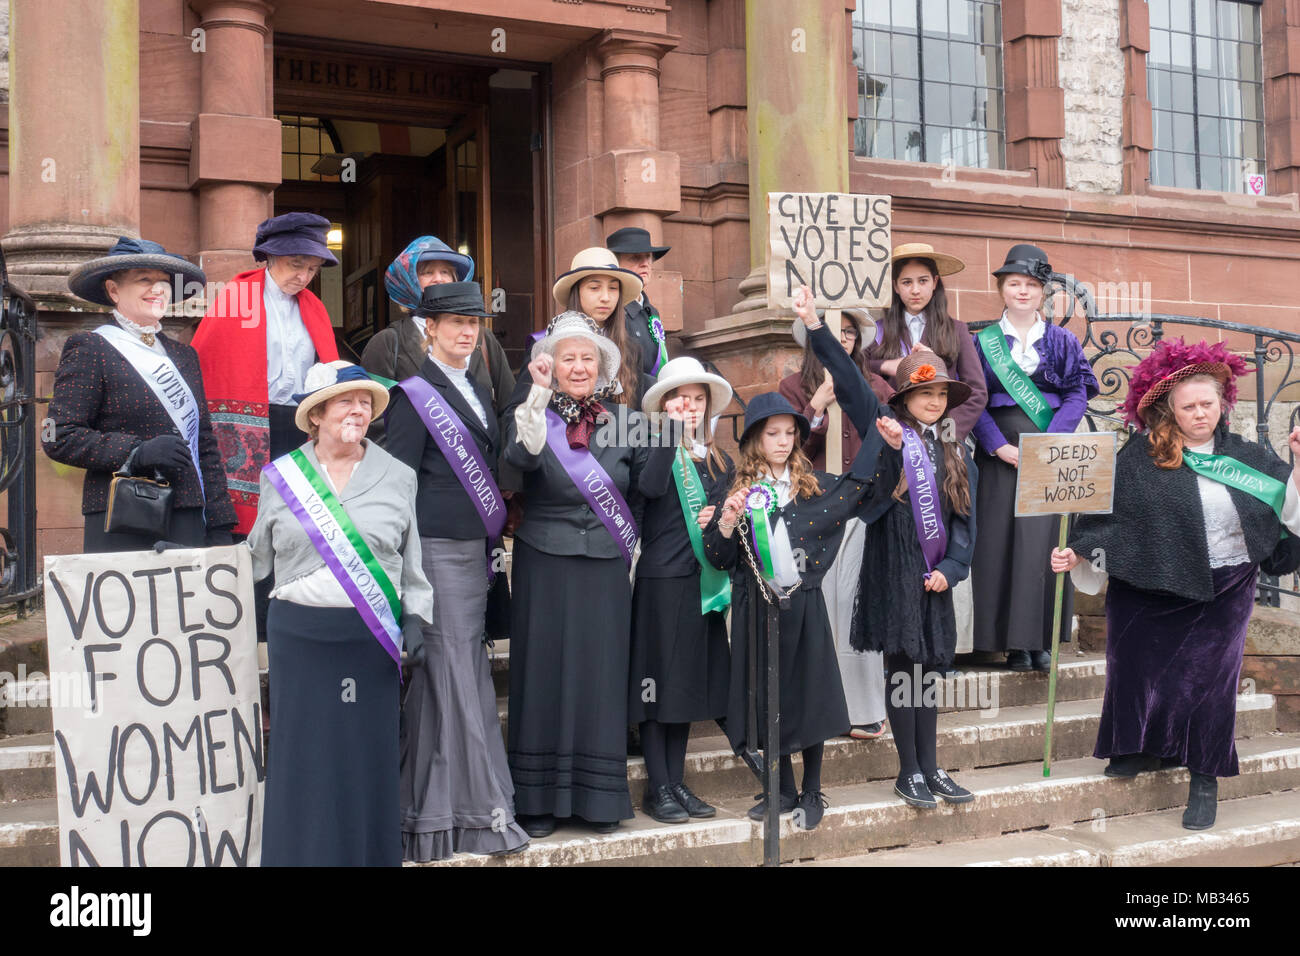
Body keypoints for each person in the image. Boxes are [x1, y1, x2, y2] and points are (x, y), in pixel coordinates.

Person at [1051, 339, 1300, 830]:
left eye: (1207, 403)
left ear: (1222, 404)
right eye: (1188, 407)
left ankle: (1204, 778)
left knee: (1209, 685)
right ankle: (1138, 746)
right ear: (1170, 411)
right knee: (1135, 668)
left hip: (1223, 586)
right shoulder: (1142, 456)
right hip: (1149, 585)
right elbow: (1109, 519)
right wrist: (1078, 550)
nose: (1199, 413)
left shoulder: (1247, 455)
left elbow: (1288, 509)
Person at [702, 287, 900, 830]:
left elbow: (869, 487)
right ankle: (780, 791)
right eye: (773, 434)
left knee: (809, 703)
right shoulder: (732, 488)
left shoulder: (817, 489)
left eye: (791, 433)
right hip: (754, 608)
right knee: (766, 703)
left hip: (804, 606)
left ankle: (813, 793)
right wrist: (724, 520)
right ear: (754, 440)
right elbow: (719, 558)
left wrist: (890, 445)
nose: (784, 442)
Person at [248, 361, 433, 866]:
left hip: (367, 641)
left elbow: (410, 560)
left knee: (364, 757)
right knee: (301, 756)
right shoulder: (280, 476)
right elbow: (254, 559)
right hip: (299, 637)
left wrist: (415, 618)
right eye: (345, 401)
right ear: (316, 415)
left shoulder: (398, 476)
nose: (358, 410)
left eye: (366, 402)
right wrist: (189, 564)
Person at [384, 281, 529, 859]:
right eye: (454, 322)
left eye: (474, 322)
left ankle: (457, 808)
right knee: (447, 676)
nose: (467, 331)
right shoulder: (412, 394)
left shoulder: (475, 386)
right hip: (435, 549)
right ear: (430, 329)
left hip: (475, 553)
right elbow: (395, 482)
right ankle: (453, 815)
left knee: (465, 670)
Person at [503, 312, 652, 837]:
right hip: (545, 559)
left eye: (588, 358)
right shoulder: (531, 411)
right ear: (551, 365)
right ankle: (538, 800)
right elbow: (515, 461)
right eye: (568, 358)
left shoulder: (626, 417)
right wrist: (537, 397)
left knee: (599, 676)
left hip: (606, 567)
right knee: (543, 673)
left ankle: (597, 799)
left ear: (602, 367)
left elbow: (642, 489)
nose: (579, 366)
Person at [44, 237, 235, 552]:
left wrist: (220, 524)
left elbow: (205, 445)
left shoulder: (184, 356)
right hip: (121, 513)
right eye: (144, 279)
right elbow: (57, 436)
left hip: (186, 512)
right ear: (114, 290)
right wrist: (137, 452)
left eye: (163, 281)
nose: (158, 288)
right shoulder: (90, 347)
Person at [856, 352, 979, 809]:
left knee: (927, 670)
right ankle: (908, 769)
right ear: (906, 399)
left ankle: (932, 766)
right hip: (893, 564)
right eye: (925, 393)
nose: (935, 401)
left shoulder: (957, 448)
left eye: (941, 393)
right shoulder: (888, 436)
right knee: (902, 667)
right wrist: (895, 483)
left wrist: (952, 570)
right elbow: (863, 503)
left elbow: (966, 522)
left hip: (934, 573)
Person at [970, 244, 1098, 671]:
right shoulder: (981, 342)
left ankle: (1039, 641)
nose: (1022, 291)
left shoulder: (1061, 340)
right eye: (1013, 284)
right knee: (998, 543)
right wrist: (996, 445)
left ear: (1043, 292)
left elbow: (1077, 392)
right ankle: (1002, 641)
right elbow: (974, 400)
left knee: (1042, 545)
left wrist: (1052, 443)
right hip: (999, 454)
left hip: (1050, 453)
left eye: (1030, 285)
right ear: (1001, 289)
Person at [780, 308, 893, 740]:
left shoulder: (877, 386)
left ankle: (864, 707)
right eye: (834, 332)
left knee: (856, 602)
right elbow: (788, 450)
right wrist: (817, 405)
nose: (842, 339)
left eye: (849, 332)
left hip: (861, 506)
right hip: (812, 505)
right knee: (819, 604)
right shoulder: (792, 387)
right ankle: (820, 707)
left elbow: (887, 442)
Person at [631, 357, 735, 823]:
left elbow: (720, 537)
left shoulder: (719, 460)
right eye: (680, 398)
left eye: (697, 399)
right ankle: (659, 787)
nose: (689, 406)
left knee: (685, 691)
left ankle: (678, 782)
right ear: (664, 404)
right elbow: (649, 489)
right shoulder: (649, 446)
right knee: (656, 692)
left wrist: (722, 523)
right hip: (660, 583)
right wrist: (669, 434)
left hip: (701, 587)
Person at [191, 212, 340, 537]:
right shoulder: (237, 296)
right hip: (245, 429)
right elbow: (206, 362)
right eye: (297, 263)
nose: (304, 275)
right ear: (271, 257)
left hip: (299, 425)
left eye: (313, 269)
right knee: (245, 528)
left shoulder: (314, 307)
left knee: (296, 525)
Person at [362, 235, 515, 415]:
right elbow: (373, 416)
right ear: (409, 282)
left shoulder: (482, 337)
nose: (438, 279)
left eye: (445, 272)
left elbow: (511, 406)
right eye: (427, 272)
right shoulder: (386, 343)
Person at [864, 242, 989, 439]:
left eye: (923, 281)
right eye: (906, 282)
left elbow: (976, 391)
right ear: (895, 286)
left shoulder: (957, 330)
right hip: (892, 434)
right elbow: (857, 375)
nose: (915, 290)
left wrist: (946, 434)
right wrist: (886, 365)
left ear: (935, 282)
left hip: (941, 434)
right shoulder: (875, 331)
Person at [607, 226, 672, 376]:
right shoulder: (610, 309)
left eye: (648, 256)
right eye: (635, 257)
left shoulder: (652, 312)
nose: (645, 263)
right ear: (616, 265)